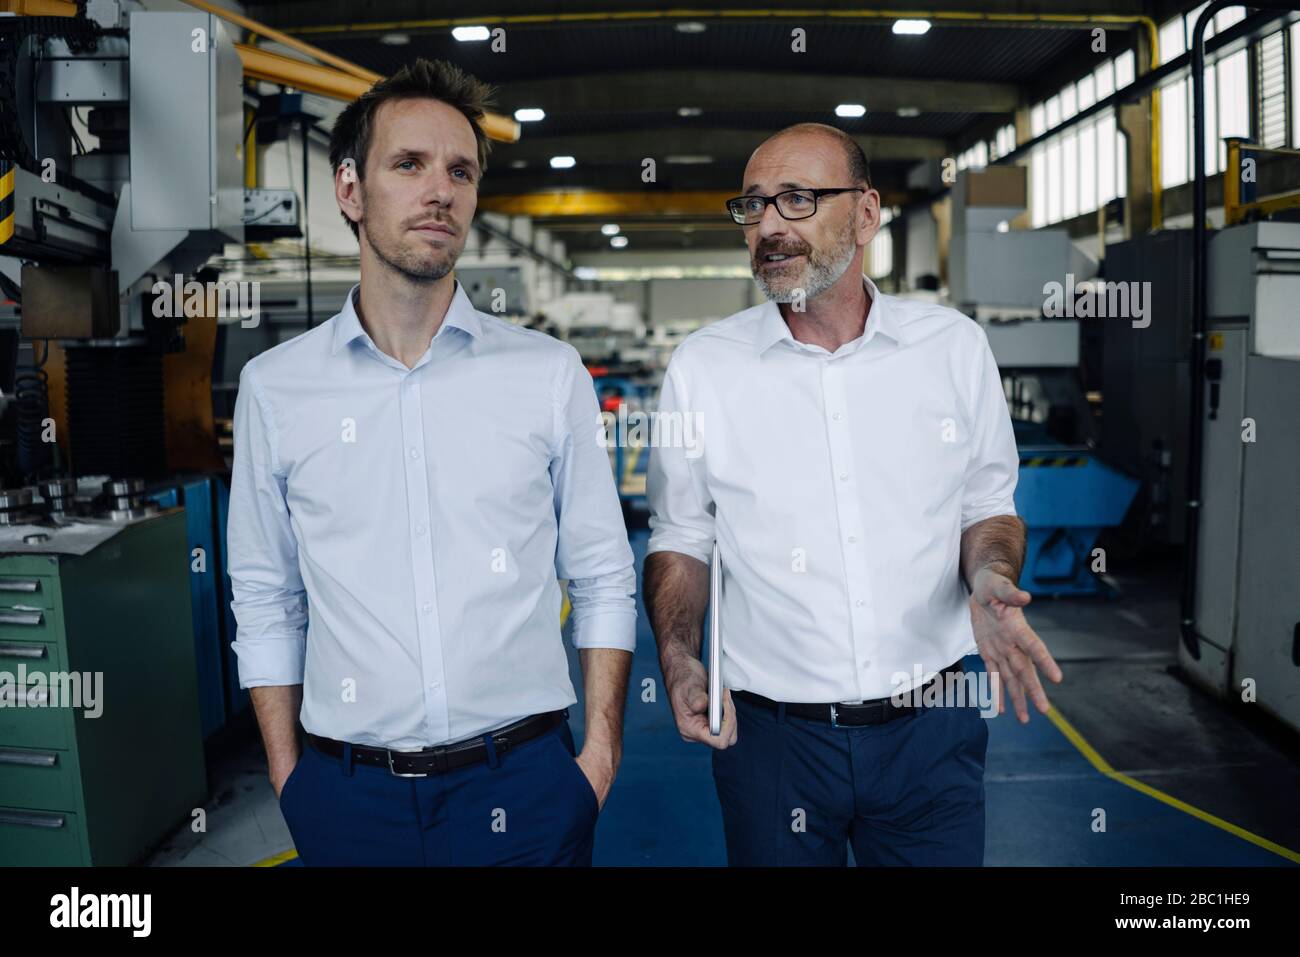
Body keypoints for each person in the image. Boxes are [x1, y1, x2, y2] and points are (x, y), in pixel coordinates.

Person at [227, 59, 636, 866]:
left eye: (460, 171)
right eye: (408, 164)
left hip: (524, 785)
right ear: (349, 190)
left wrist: (598, 758)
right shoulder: (277, 389)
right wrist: (289, 777)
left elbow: (601, 572)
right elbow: (265, 594)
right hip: (349, 799)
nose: (439, 191)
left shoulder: (546, 375)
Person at [644, 122, 1063, 866]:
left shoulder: (952, 349)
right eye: (753, 206)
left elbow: (986, 507)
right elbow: (681, 537)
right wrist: (677, 656)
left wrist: (991, 576)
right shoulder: (704, 369)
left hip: (930, 730)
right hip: (772, 741)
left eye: (797, 200)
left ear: (866, 214)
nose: (769, 225)